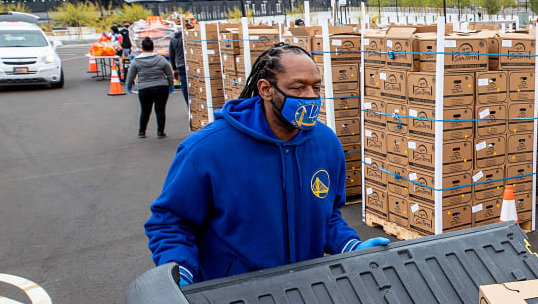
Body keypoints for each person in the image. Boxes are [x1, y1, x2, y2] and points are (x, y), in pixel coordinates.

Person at [145, 43, 387, 285]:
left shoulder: (326, 143)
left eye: (316, 87)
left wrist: (350, 245)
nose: (311, 97)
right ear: (265, 89)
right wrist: (180, 271)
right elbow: (171, 222)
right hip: (233, 296)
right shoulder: (206, 149)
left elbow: (327, 215)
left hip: (307, 288)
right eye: (298, 88)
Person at [126, 37, 174, 138]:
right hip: (161, 87)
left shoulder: (136, 60)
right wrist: (170, 85)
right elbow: (169, 73)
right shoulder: (160, 59)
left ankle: (142, 132)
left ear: (142, 48)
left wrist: (129, 86)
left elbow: (131, 75)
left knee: (145, 110)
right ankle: (160, 132)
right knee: (160, 110)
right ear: (153, 47)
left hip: (144, 88)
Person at [168, 29, 187, 105]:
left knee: (185, 87)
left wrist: (174, 69)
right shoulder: (186, 38)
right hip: (189, 64)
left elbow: (171, 56)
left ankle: (188, 106)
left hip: (180, 65)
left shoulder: (173, 40)